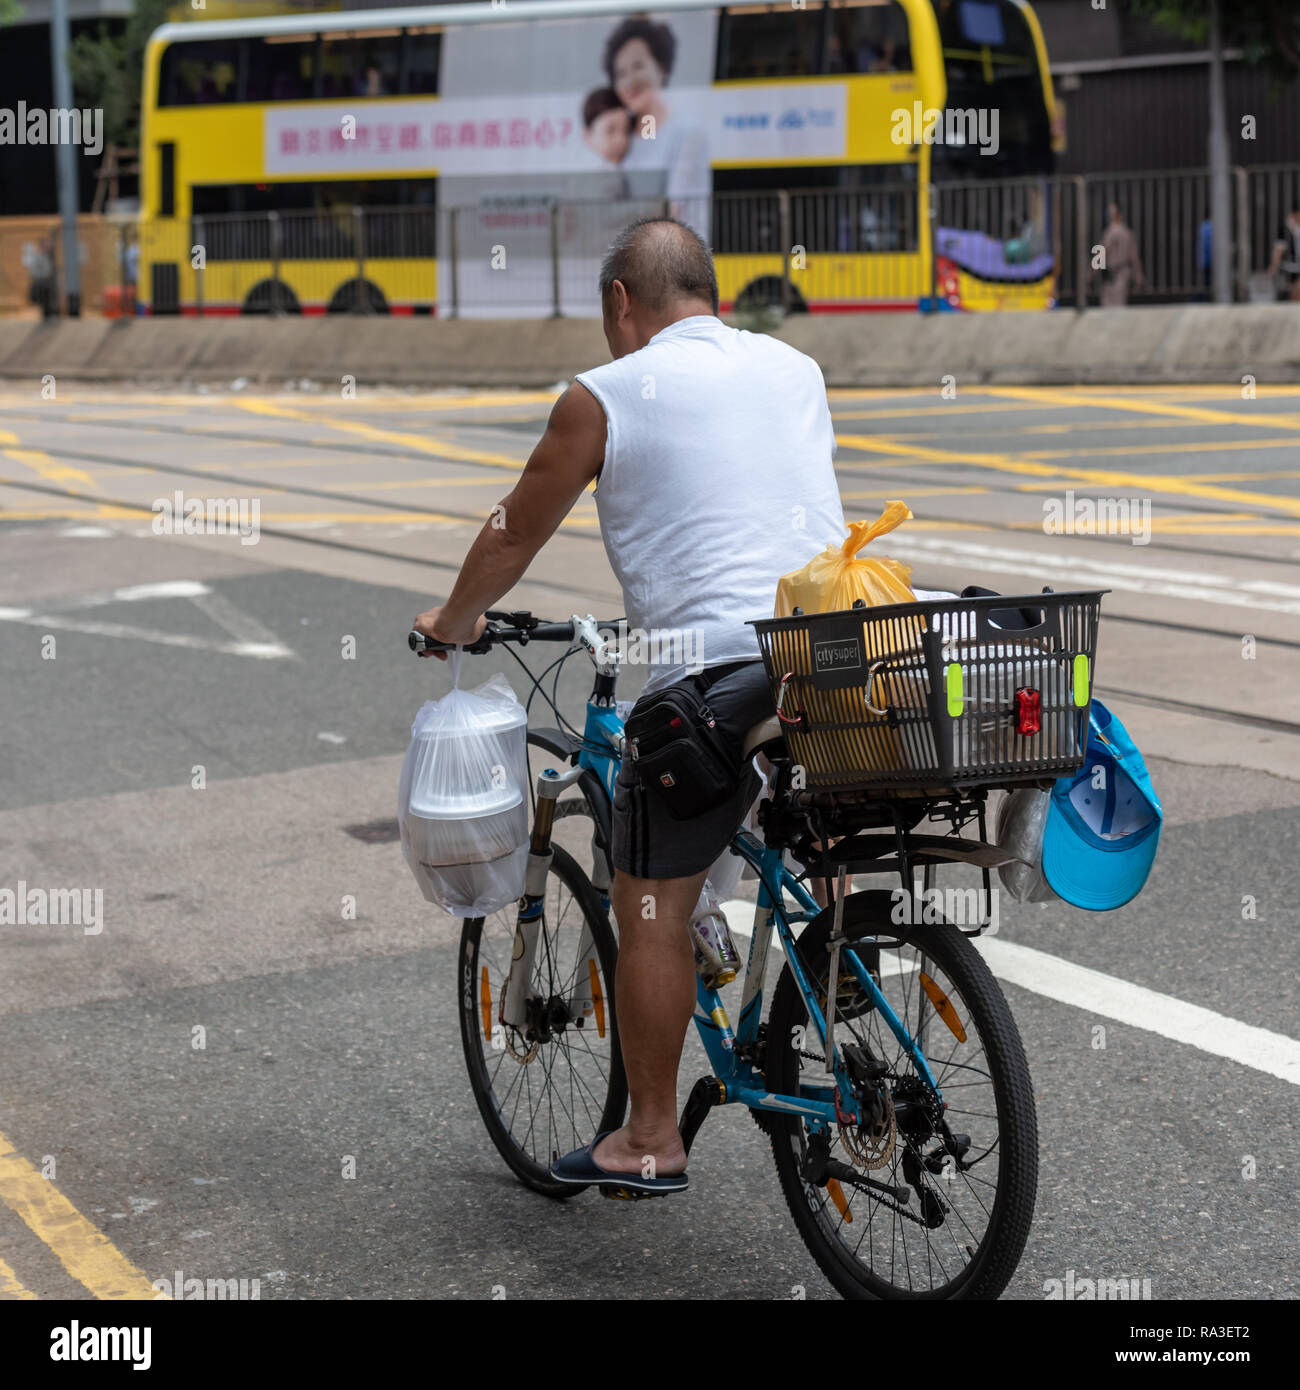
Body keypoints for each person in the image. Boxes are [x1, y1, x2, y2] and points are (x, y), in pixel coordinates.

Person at [412, 218, 846, 1194]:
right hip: (827, 657)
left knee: (647, 900)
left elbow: (513, 528)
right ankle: (847, 967)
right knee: (811, 821)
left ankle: (650, 1136)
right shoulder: (796, 368)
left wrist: (452, 618)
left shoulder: (602, 395)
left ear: (620, 303)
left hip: (711, 679)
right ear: (710, 289)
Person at [603, 17, 710, 238]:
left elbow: (672, 208)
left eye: (638, 66)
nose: (630, 80)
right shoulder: (624, 139)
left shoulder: (688, 132)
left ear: (661, 67)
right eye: (621, 74)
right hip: (638, 259)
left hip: (678, 260)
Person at [1096, 203, 1145, 306]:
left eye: (1111, 213)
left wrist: (1091, 272)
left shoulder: (1111, 232)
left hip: (1116, 272)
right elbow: (1134, 256)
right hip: (1119, 272)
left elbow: (1102, 252)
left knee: (1111, 304)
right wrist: (1138, 275)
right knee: (1119, 303)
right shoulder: (1127, 232)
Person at [1269, 206, 1300, 302]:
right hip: (1290, 267)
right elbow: (1278, 250)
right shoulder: (1285, 228)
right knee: (1294, 294)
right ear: (1295, 213)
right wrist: (1274, 266)